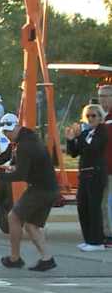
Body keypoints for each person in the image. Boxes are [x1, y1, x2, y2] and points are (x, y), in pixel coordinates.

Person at [0, 113, 59, 271]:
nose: (7, 134)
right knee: (31, 226)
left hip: (41, 189)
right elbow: (5, 156)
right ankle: (47, 259)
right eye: (5, 132)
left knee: (13, 217)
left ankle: (15, 258)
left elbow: (20, 175)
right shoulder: (23, 139)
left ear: (17, 126)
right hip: (48, 188)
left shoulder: (25, 145)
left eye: (9, 130)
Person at [65, 105, 108, 251]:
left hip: (95, 173)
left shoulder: (102, 131)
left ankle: (97, 241)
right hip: (84, 174)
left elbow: (92, 150)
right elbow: (74, 153)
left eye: (93, 115)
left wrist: (79, 137)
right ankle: (88, 239)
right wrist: (70, 140)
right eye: (88, 116)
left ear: (100, 117)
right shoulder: (86, 133)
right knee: (83, 206)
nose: (90, 118)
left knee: (93, 207)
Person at [99, 85, 112, 244]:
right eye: (100, 96)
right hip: (104, 168)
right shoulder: (106, 118)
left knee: (107, 203)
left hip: (109, 169)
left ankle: (109, 235)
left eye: (105, 96)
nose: (102, 100)